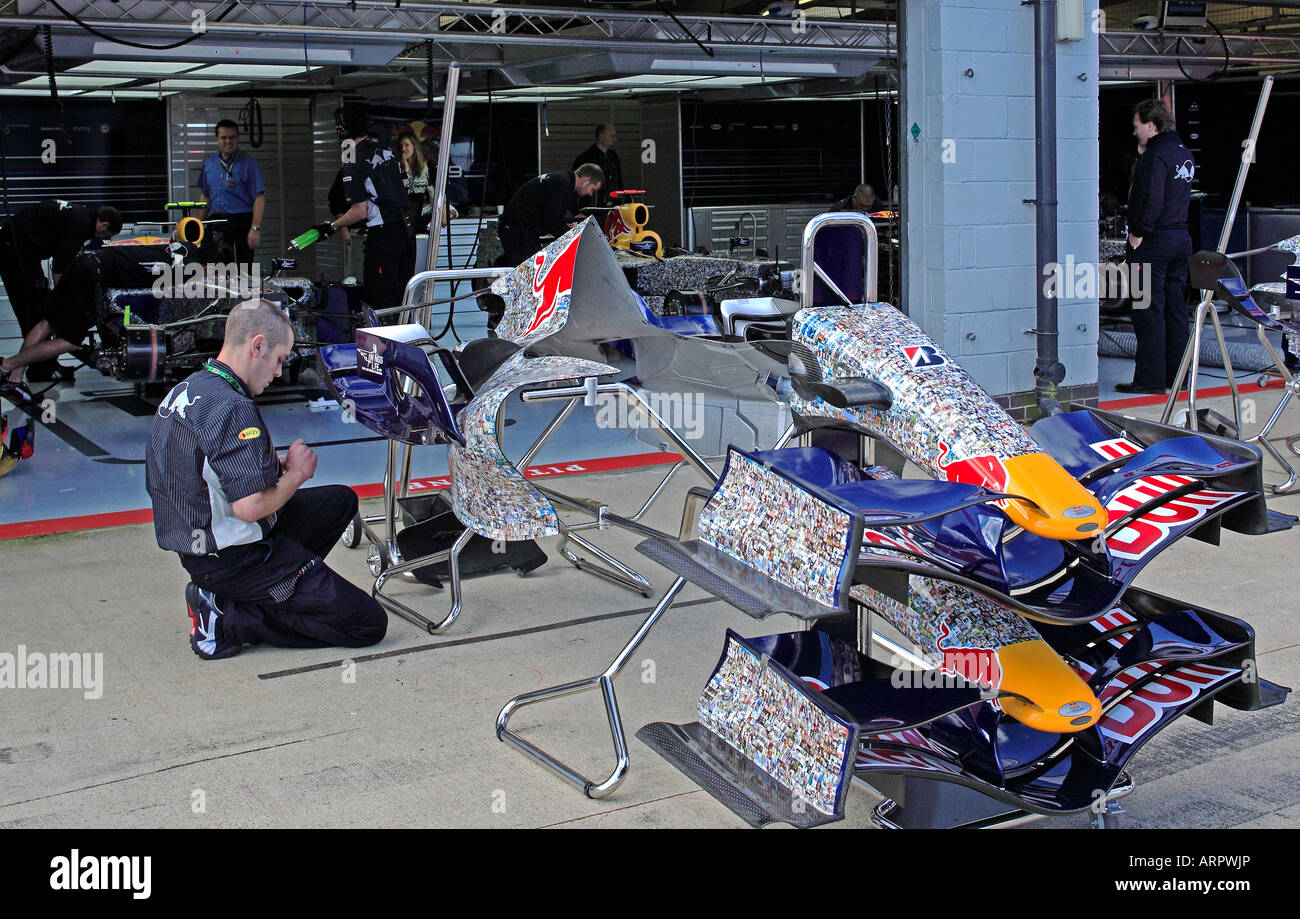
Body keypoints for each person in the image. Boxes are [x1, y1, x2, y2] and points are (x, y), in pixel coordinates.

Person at [145, 298, 387, 660]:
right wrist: (295, 475)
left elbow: (208, 463)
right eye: (277, 360)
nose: (277, 373)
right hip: (230, 557)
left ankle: (278, 585)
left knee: (340, 501)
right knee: (367, 624)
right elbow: (250, 507)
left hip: (199, 544)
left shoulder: (194, 388)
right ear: (257, 345)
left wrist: (271, 463)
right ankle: (231, 619)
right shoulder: (233, 408)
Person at [1, 242, 199, 404]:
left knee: (48, 322)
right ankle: (6, 366)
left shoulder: (186, 247)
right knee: (70, 341)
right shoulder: (193, 270)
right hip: (94, 275)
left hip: (86, 260)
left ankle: (14, 378)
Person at [1117, 99, 1195, 395]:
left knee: (1147, 309)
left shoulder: (1154, 156)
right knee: (1175, 310)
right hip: (1180, 239)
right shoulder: (1183, 153)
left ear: (1151, 124)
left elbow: (1151, 198)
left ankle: (1150, 379)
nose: (1135, 132)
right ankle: (1176, 378)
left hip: (1154, 241)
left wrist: (1138, 232)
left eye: (1137, 126)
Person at [0, 200, 121, 381]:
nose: (101, 237)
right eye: (105, 234)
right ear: (104, 224)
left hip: (23, 251)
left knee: (41, 313)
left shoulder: (80, 213)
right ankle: (34, 370)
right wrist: (63, 307)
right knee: (35, 314)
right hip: (14, 251)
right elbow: (59, 271)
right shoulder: (81, 224)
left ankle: (43, 366)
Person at [319, 104, 415, 313]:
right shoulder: (387, 150)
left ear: (342, 131)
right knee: (403, 295)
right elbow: (405, 184)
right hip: (407, 233)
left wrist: (330, 227)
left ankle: (385, 344)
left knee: (381, 298)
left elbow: (359, 211)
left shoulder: (353, 161)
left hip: (383, 235)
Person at [494, 165, 604, 268]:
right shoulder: (562, 185)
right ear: (585, 181)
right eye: (592, 189)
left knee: (530, 263)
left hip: (521, 228)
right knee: (529, 269)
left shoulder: (563, 180)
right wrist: (574, 238)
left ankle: (497, 267)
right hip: (517, 228)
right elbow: (551, 222)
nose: (590, 194)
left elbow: (556, 214)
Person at [195, 120, 267, 266]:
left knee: (240, 271)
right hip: (216, 223)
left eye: (232, 137)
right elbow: (205, 196)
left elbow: (259, 198)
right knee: (212, 270)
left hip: (240, 224)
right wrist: (199, 226)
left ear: (238, 138)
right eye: (224, 138)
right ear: (217, 139)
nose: (228, 141)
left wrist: (255, 228)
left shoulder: (248, 164)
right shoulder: (209, 164)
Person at [397, 131, 459, 236]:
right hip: (402, 225)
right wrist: (405, 170)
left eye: (406, 145)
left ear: (414, 146)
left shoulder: (428, 168)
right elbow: (396, 194)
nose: (403, 149)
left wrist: (446, 211)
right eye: (401, 146)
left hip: (424, 225)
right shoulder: (397, 169)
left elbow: (437, 194)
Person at [571, 124, 622, 208]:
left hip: (612, 207)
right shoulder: (585, 158)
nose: (614, 140)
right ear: (601, 136)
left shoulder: (614, 158)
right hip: (591, 208)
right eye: (612, 136)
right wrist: (576, 211)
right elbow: (574, 186)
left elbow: (619, 182)